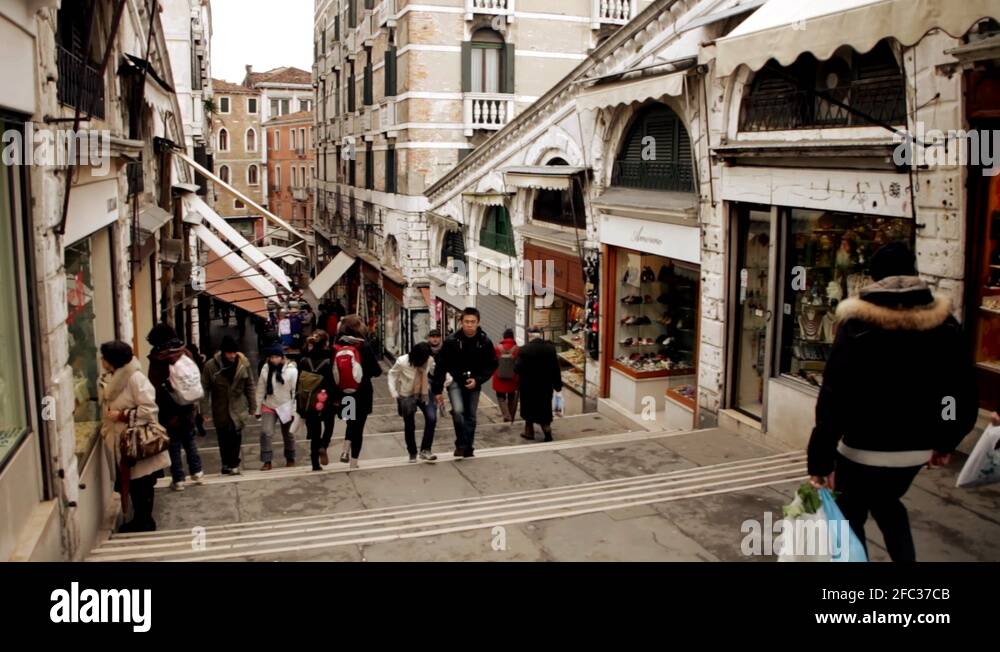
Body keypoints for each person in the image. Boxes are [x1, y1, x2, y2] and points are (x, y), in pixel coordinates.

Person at [807, 242, 978, 562]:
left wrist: (820, 461)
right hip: (914, 451)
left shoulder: (857, 326)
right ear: (914, 273)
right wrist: (945, 439)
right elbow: (953, 395)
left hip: (860, 449)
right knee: (887, 502)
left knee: (850, 511)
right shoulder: (945, 326)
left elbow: (835, 399)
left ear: (873, 277)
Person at [98, 341, 170, 533]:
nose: (101, 360)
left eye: (104, 357)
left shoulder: (134, 378)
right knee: (133, 483)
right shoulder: (111, 377)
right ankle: (141, 519)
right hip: (122, 441)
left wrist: (122, 415)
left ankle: (144, 521)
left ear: (113, 360)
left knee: (142, 483)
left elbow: (150, 408)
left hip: (137, 441)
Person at [431, 308, 498, 459]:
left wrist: (478, 379)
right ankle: (461, 444)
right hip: (455, 381)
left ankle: (468, 447)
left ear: (478, 322)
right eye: (466, 322)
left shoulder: (484, 341)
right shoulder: (451, 341)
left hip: (474, 383)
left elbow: (492, 364)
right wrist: (437, 390)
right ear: (461, 322)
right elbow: (440, 366)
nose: (469, 325)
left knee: (471, 416)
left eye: (473, 322)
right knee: (459, 412)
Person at [146, 323, 204, 491]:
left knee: (174, 444)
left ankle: (178, 479)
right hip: (187, 405)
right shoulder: (185, 352)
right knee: (190, 440)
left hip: (169, 410)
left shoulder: (158, 359)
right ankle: (197, 472)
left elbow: (155, 388)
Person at [200, 335, 256, 475]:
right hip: (221, 407)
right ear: (223, 352)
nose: (232, 355)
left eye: (234, 352)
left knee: (236, 435)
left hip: (238, 406)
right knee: (223, 436)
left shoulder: (243, 364)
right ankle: (226, 463)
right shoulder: (211, 366)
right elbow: (205, 388)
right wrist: (205, 411)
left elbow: (249, 385)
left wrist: (253, 406)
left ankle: (234, 462)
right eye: (229, 352)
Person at [332, 316, 382, 469]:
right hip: (363, 390)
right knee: (359, 425)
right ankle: (353, 461)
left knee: (350, 422)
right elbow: (377, 370)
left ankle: (345, 449)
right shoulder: (364, 346)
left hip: (345, 392)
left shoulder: (336, 345)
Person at [388, 342, 438, 462]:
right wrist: (393, 391)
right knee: (410, 424)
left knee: (432, 418)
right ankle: (412, 452)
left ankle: (425, 449)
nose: (424, 362)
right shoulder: (402, 361)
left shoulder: (429, 360)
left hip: (424, 392)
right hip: (407, 394)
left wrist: (443, 384)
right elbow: (392, 374)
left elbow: (434, 372)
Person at [514, 326, 563, 442]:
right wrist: (558, 385)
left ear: (529, 335)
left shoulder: (524, 349)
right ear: (540, 335)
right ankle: (547, 431)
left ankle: (529, 432)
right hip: (545, 386)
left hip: (528, 386)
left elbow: (517, 368)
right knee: (544, 409)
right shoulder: (550, 349)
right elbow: (556, 368)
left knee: (528, 409)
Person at [255, 345, 299, 469]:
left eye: (276, 357)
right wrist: (257, 408)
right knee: (265, 432)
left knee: (288, 433)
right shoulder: (265, 369)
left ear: (282, 357)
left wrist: (294, 410)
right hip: (269, 404)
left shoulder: (291, 371)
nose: (274, 360)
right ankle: (267, 461)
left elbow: (296, 391)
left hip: (286, 405)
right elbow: (260, 389)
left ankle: (290, 457)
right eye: (272, 357)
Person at [299, 329, 337, 470]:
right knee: (329, 426)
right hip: (326, 399)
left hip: (310, 400)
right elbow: (333, 381)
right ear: (326, 343)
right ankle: (324, 445)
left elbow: (300, 382)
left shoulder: (304, 360)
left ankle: (315, 464)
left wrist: (300, 406)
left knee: (315, 432)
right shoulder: (329, 359)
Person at [492, 328, 520, 425]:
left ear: (504, 337)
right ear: (512, 337)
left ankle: (506, 416)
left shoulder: (497, 348)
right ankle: (511, 416)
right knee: (511, 396)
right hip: (513, 377)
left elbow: (492, 362)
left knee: (500, 397)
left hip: (499, 377)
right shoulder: (517, 349)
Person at [186, 342, 208, 437]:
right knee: (197, 409)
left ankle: (194, 426)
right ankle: (199, 425)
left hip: (191, 388)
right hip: (199, 387)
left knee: (193, 409)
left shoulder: (187, 362)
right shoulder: (199, 361)